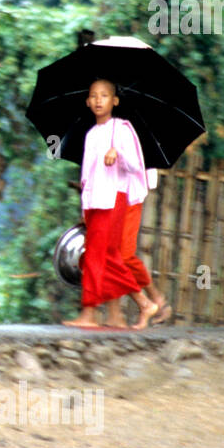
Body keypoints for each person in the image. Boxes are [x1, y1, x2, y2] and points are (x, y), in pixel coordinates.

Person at [64, 78, 158, 330]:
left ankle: (89, 313)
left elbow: (137, 166)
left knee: (96, 256)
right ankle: (144, 303)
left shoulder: (123, 129)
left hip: (114, 199)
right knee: (104, 258)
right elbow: (86, 175)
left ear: (115, 101)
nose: (98, 100)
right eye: (93, 96)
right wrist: (85, 208)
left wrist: (119, 154)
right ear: (87, 101)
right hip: (95, 201)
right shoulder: (91, 134)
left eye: (104, 95)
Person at [105, 166, 171, 327]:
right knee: (110, 252)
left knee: (123, 256)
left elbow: (132, 160)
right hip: (109, 190)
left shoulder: (131, 140)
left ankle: (153, 300)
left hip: (128, 191)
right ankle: (116, 315)